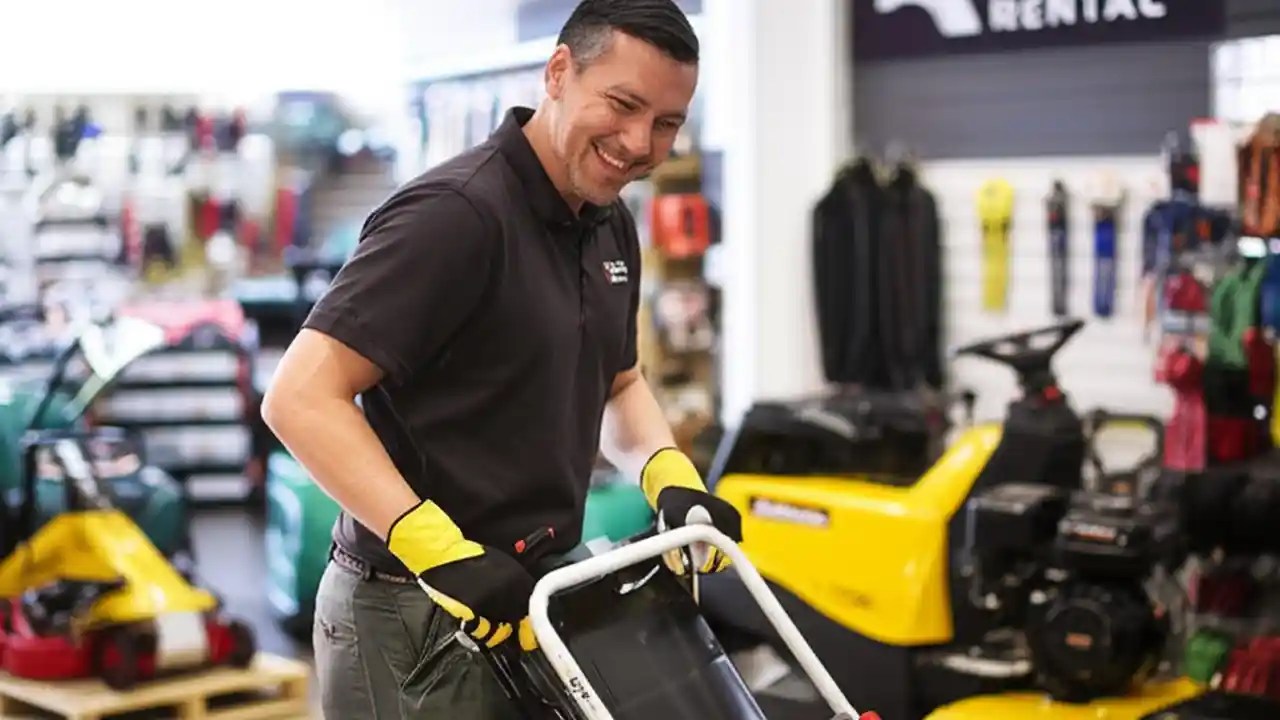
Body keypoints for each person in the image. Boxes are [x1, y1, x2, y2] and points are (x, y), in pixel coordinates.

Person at [260, 1, 744, 717]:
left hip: (534, 594)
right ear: (557, 72)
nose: (641, 142)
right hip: (411, 615)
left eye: (666, 123)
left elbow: (618, 384)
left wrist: (666, 474)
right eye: (623, 104)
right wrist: (438, 548)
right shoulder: (456, 214)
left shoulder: (608, 224)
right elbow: (300, 396)